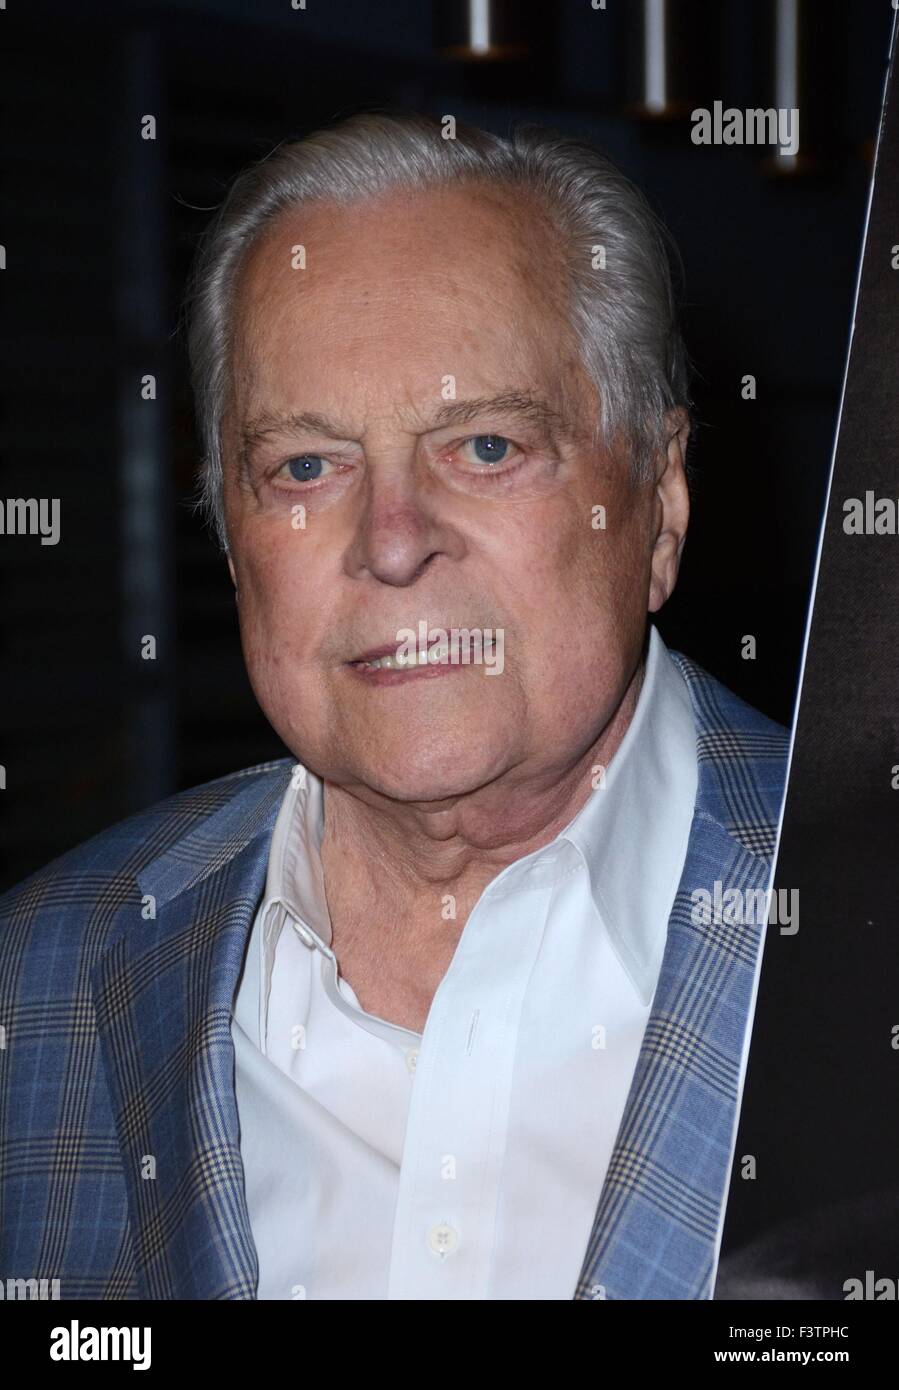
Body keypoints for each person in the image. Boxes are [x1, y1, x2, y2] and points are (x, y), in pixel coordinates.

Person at [0, 111, 788, 1300]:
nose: (392, 542)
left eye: (482, 445)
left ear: (658, 501)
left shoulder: (850, 896)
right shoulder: (39, 979)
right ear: (230, 537)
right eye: (306, 468)